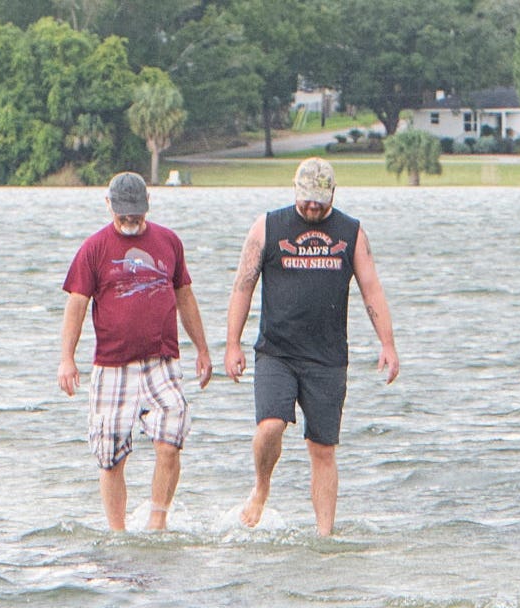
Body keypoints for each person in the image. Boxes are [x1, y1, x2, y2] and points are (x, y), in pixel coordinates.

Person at [220, 158, 398, 536]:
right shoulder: (267, 227)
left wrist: (388, 344)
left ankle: (324, 535)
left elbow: (372, 289)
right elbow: (243, 285)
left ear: (333, 194)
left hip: (328, 357)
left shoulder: (351, 233)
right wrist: (232, 344)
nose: (313, 207)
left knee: (323, 449)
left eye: (320, 200)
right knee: (271, 426)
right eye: (307, 201)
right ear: (295, 192)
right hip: (277, 351)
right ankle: (262, 487)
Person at [58, 171, 211, 532]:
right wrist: (67, 358)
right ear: (109, 205)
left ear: (148, 205)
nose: (130, 220)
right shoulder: (93, 248)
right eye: (123, 213)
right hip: (112, 365)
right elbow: (77, 305)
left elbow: (184, 296)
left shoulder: (169, 242)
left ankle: (157, 523)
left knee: (171, 440)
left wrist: (203, 349)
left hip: (162, 361)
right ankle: (118, 533)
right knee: (110, 457)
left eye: (137, 213)